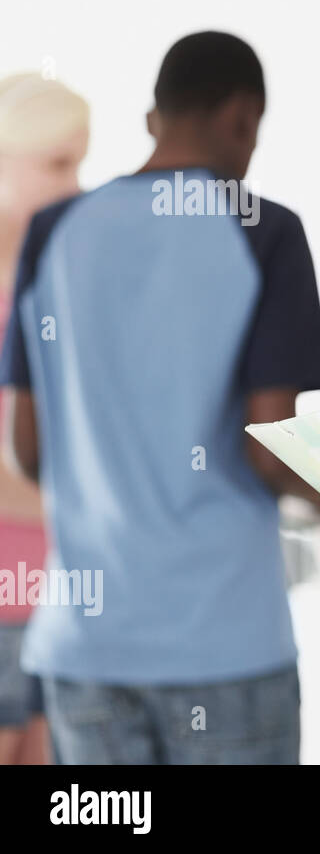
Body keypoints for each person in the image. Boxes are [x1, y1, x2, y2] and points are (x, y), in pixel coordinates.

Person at [0, 31, 320, 764]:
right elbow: (269, 449)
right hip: (224, 644)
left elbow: (28, 451)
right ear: (243, 118)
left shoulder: (54, 233)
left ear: (154, 119)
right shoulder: (265, 230)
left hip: (87, 650)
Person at [0, 73, 88, 765]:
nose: (76, 185)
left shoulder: (60, 285)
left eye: (80, 163)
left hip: (63, 601)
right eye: (57, 163)